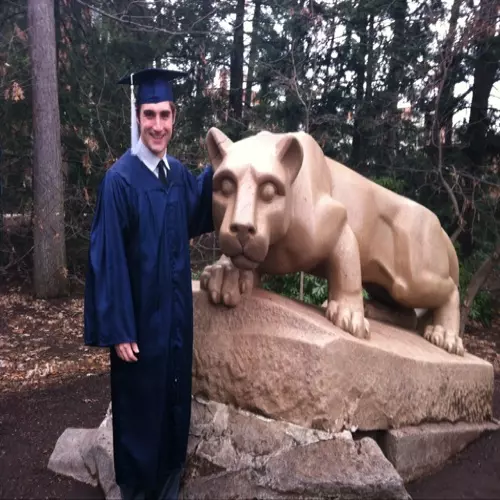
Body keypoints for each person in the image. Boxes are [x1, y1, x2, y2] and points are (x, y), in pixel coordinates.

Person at [83, 67, 214, 500]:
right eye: (149, 115)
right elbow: (108, 260)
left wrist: (227, 166)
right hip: (138, 330)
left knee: (173, 412)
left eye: (165, 115)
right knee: (140, 419)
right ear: (138, 117)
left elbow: (198, 213)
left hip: (175, 325)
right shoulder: (119, 181)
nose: (158, 125)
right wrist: (119, 328)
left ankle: (169, 491)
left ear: (174, 118)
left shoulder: (177, 175)